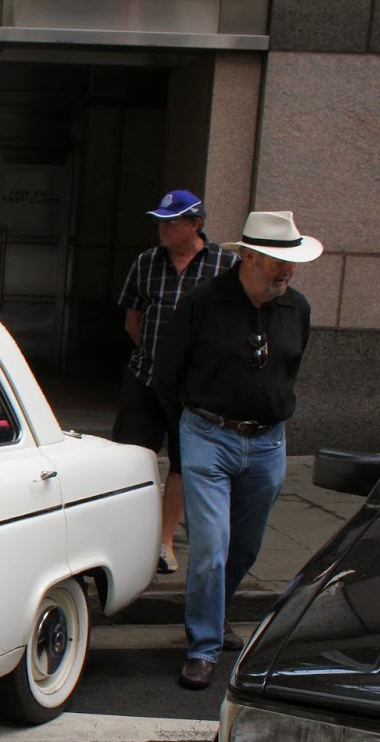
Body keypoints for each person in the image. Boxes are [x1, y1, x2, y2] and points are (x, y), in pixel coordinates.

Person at [151, 210, 322, 689]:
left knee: (245, 546)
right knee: (209, 547)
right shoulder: (202, 303)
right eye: (276, 262)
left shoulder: (298, 308)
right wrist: (181, 447)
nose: (286, 272)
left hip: (268, 442)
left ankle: (216, 614)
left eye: (291, 263)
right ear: (248, 257)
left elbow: (290, 367)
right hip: (207, 434)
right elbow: (167, 373)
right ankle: (202, 644)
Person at [113, 190, 238, 576]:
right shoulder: (146, 263)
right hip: (146, 376)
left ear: (195, 224)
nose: (163, 229)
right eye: (161, 221)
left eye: (172, 222)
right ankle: (128, 536)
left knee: (184, 462)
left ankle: (165, 541)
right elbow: (132, 320)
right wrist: (158, 359)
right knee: (133, 457)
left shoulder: (224, 265)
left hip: (194, 387)